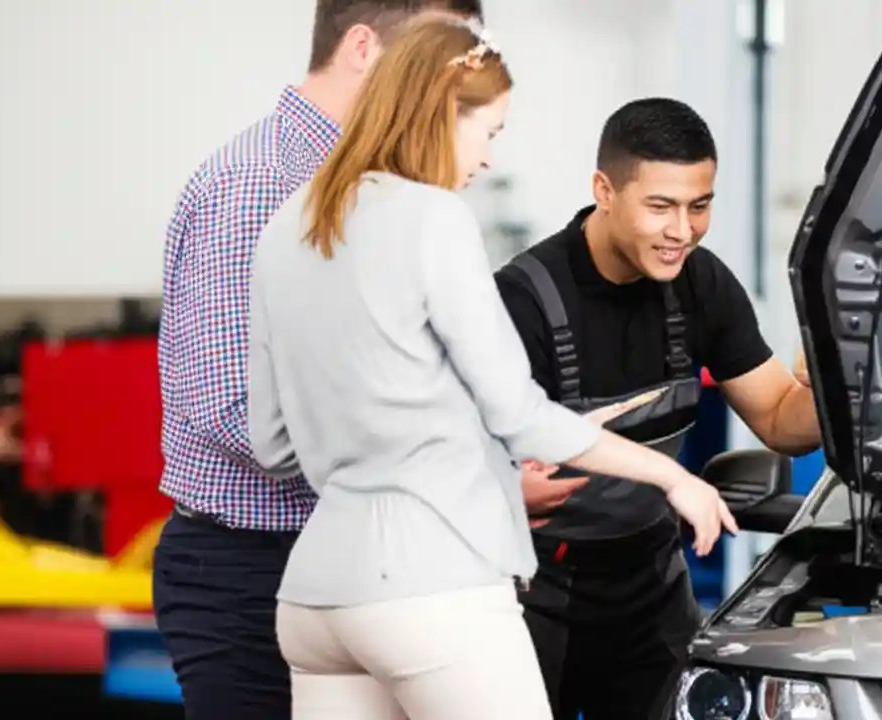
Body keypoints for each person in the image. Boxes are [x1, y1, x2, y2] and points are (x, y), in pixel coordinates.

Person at [245, 16, 737, 720]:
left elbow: (272, 443)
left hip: (317, 599)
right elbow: (520, 414)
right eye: (491, 131)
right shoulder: (432, 217)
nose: (487, 157)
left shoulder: (288, 223)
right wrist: (672, 474)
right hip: (432, 586)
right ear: (444, 115)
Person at [151, 2, 482, 718]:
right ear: (363, 48)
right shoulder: (258, 188)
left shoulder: (379, 193)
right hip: (252, 568)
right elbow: (233, 407)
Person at [494, 97, 823, 720]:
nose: (683, 231)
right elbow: (462, 468)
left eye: (699, 206)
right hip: (532, 594)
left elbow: (783, 424)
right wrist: (506, 492)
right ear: (605, 191)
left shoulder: (702, 284)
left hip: (651, 590)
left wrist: (826, 381)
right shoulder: (522, 301)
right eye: (661, 206)